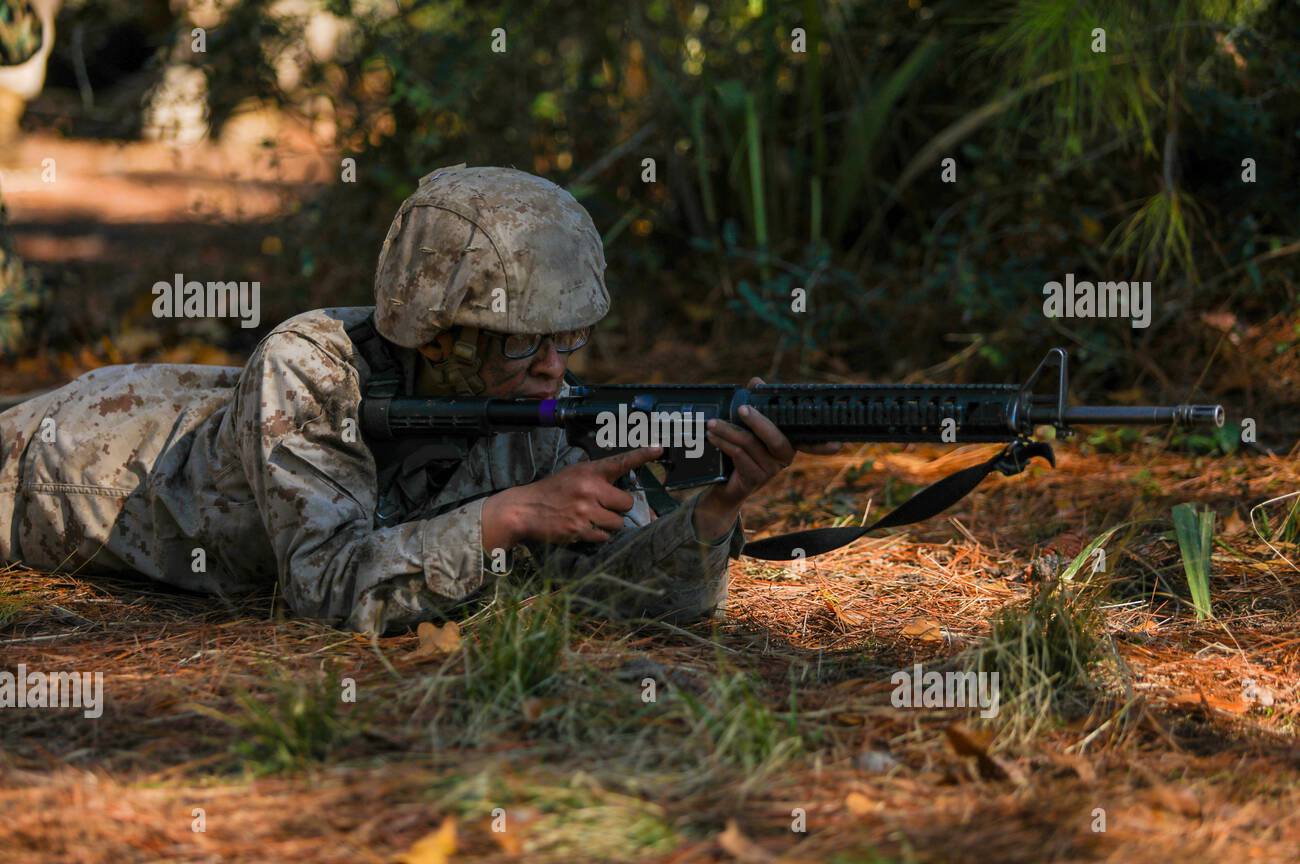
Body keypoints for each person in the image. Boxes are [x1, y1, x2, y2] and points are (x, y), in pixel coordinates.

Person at [0, 164, 831, 634]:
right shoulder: (310, 366)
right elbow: (326, 589)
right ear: (436, 333)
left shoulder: (539, 407)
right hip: (60, 467)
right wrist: (509, 518)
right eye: (521, 342)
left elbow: (628, 603)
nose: (553, 369)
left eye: (567, 338)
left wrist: (716, 512)